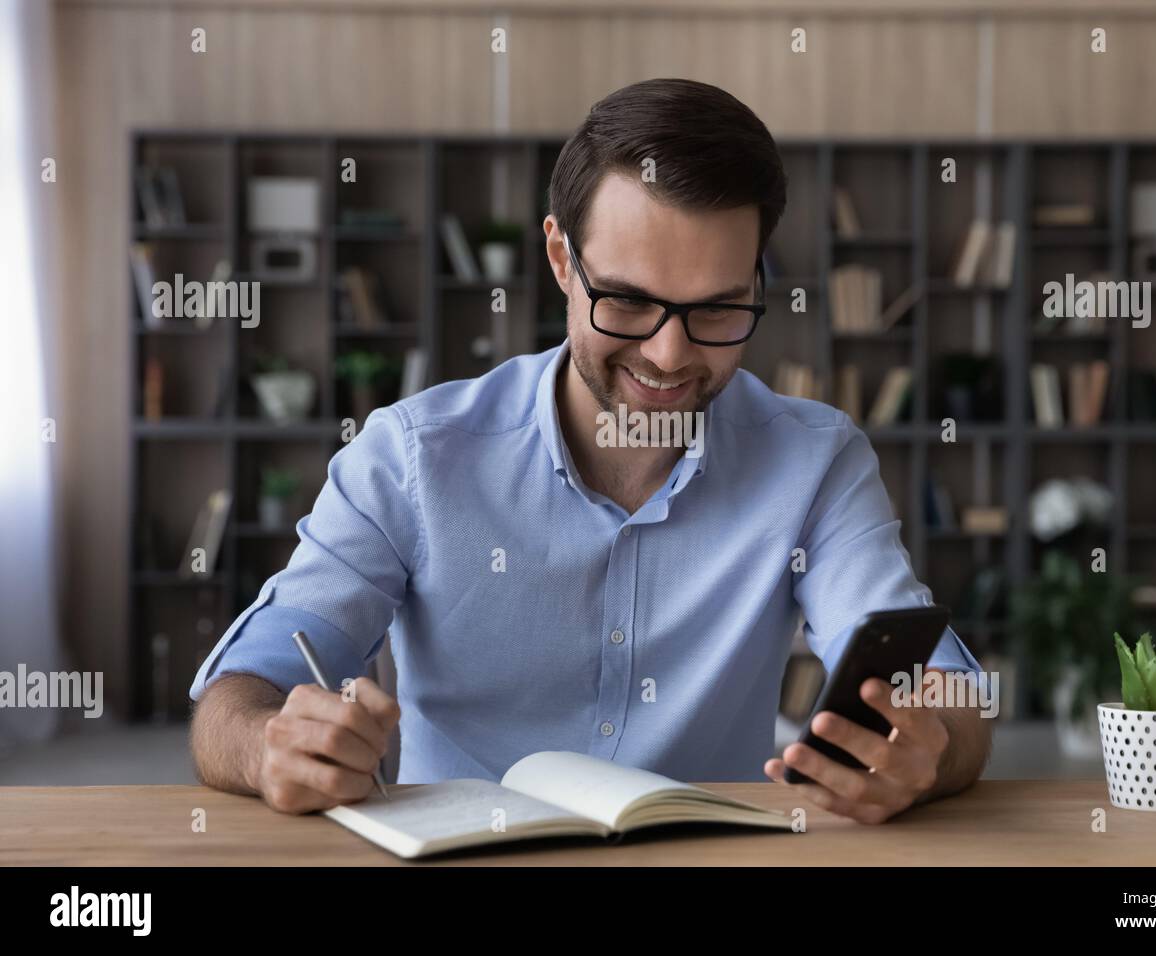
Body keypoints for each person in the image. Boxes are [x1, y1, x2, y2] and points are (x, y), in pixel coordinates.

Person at [189, 77, 991, 825]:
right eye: (630, 301)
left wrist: (931, 749)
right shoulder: (410, 458)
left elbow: (951, 694)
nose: (670, 355)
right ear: (561, 260)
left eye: (718, 309)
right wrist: (269, 746)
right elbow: (237, 696)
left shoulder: (815, 463)